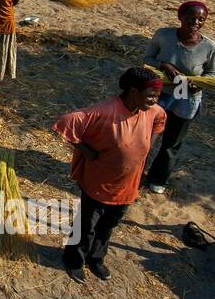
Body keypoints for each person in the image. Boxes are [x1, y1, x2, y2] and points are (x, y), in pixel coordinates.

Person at [52, 67, 166, 282]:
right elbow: (66, 121)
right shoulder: (105, 111)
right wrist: (87, 151)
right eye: (150, 95)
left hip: (128, 182)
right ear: (133, 91)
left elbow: (161, 120)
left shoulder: (152, 111)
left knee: (109, 224)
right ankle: (74, 259)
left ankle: (96, 258)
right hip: (99, 181)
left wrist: (147, 146)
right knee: (87, 225)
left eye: (156, 97)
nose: (153, 101)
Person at [142, 0, 215, 194]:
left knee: (172, 141)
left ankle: (158, 178)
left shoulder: (209, 47)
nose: (196, 22)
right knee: (146, 135)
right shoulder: (164, 35)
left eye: (201, 19)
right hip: (161, 92)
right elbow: (147, 59)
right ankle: (134, 171)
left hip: (187, 96)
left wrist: (198, 83)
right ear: (180, 17)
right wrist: (164, 66)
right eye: (191, 17)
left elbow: (212, 73)